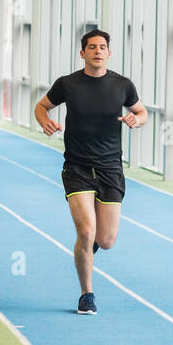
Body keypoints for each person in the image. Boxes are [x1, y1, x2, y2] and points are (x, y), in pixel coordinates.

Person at [34, 29, 147, 315]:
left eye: (103, 47)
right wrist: (45, 120)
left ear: (109, 53)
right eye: (92, 47)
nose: (98, 51)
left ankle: (87, 249)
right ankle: (87, 294)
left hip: (110, 168)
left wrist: (137, 118)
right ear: (82, 53)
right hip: (77, 167)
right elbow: (41, 106)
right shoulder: (67, 84)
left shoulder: (122, 85)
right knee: (86, 231)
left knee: (105, 241)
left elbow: (142, 112)